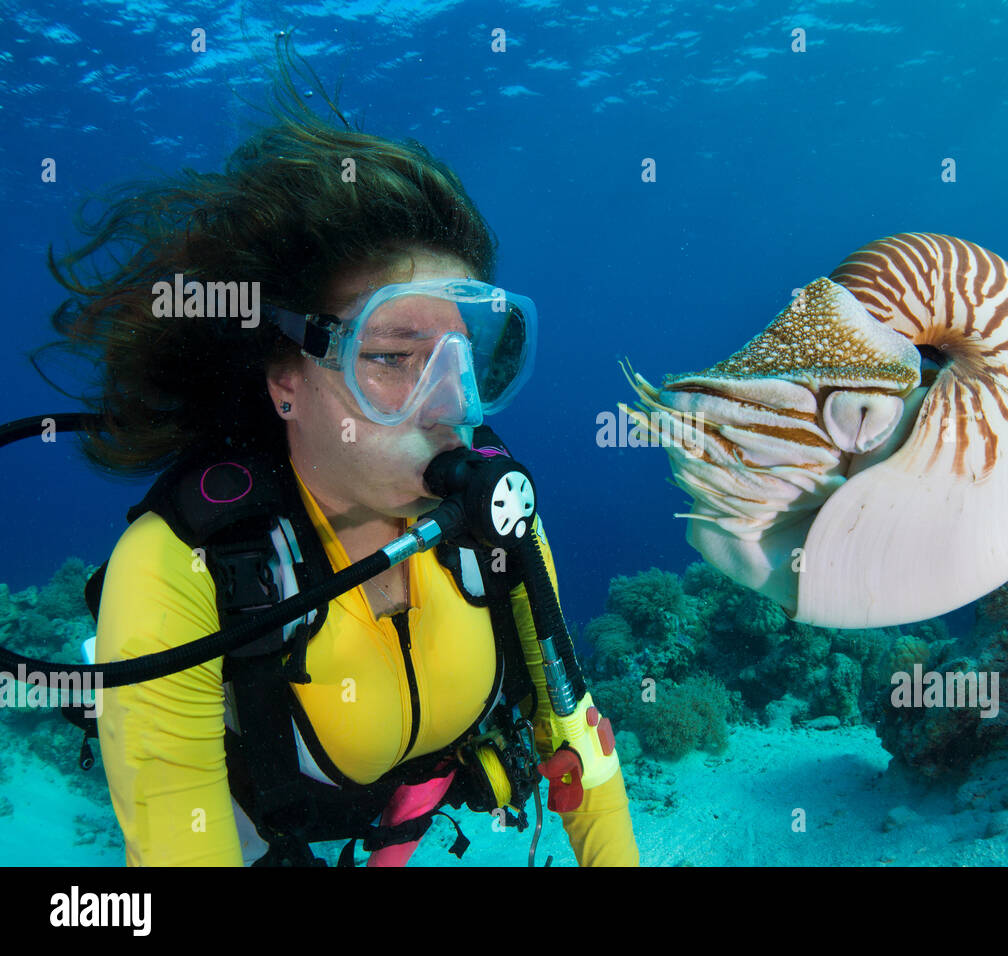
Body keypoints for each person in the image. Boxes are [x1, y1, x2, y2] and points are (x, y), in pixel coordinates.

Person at [42, 39, 638, 867]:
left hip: (415, 792)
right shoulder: (181, 566)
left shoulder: (500, 526)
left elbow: (573, 734)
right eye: (393, 357)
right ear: (286, 380)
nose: (452, 405)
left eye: (465, 360)